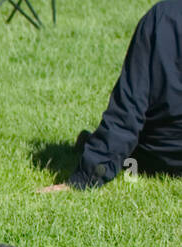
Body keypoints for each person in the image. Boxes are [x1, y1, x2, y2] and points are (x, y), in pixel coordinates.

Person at [44, 0, 182, 191]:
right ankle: (93, 145)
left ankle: (93, 146)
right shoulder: (165, 17)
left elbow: (129, 110)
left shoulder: (163, 17)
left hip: (160, 154)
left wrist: (87, 176)